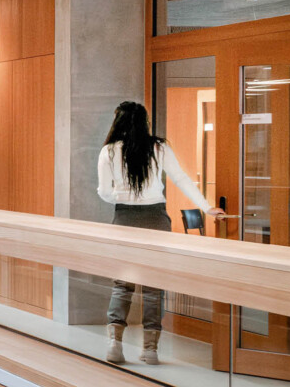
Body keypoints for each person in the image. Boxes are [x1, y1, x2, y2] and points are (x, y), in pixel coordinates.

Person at [96, 100, 224, 365]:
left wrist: (123, 195)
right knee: (154, 286)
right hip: (156, 219)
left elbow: (105, 193)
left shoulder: (108, 151)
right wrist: (206, 207)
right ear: (144, 122)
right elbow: (181, 179)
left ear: (117, 121)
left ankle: (114, 344)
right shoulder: (159, 147)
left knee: (122, 282)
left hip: (124, 219)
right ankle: (150, 349)